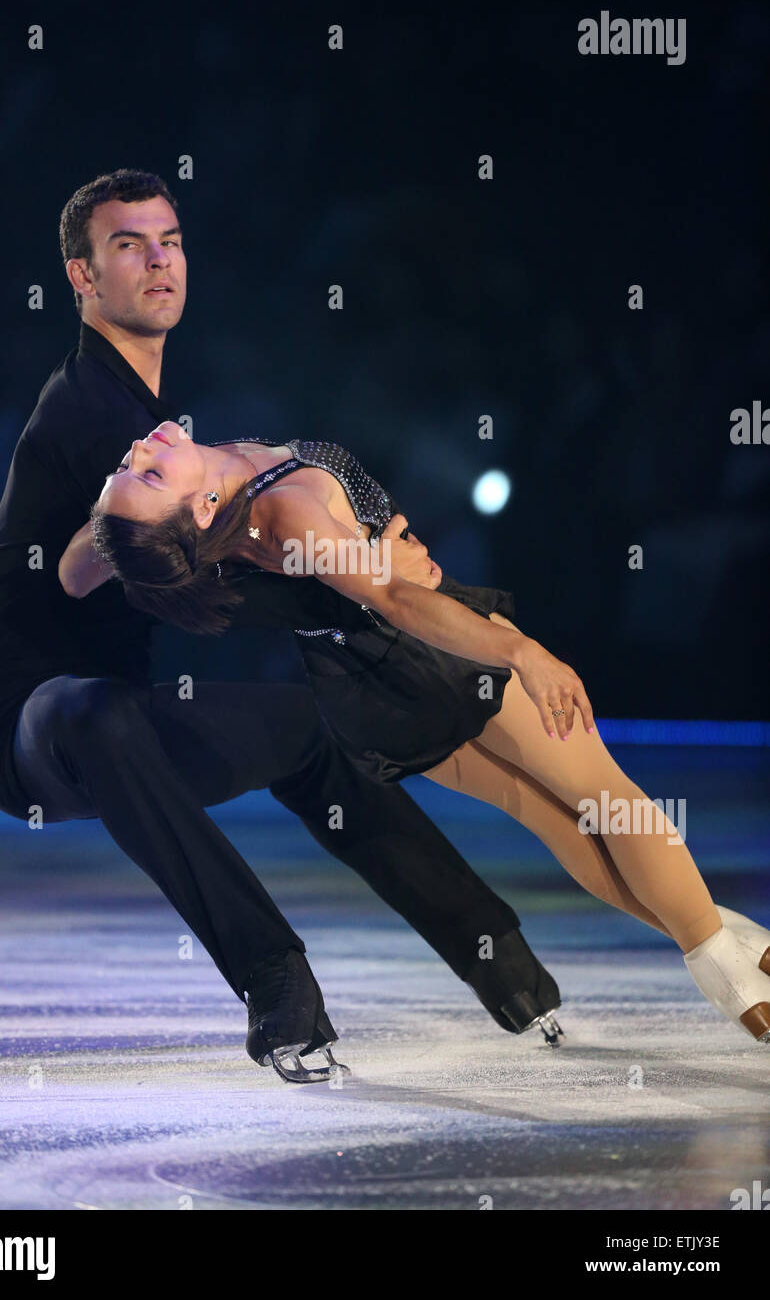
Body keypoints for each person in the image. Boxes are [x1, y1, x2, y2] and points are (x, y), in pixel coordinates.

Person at [0, 168, 563, 1088]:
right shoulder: (88, 408)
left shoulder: (149, 415)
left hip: (126, 710)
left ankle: (502, 961)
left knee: (307, 739)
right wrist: (361, 585)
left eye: (171, 240)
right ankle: (276, 980)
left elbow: (216, 554)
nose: (160, 260)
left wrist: (352, 567)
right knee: (94, 714)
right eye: (130, 245)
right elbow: (90, 574)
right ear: (82, 278)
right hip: (27, 729)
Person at [86, 425, 770, 1049]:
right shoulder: (281, 512)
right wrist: (522, 655)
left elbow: (91, 561)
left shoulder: (214, 515)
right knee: (607, 800)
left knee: (561, 821)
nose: (142, 448)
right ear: (202, 509)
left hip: (372, 692)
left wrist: (119, 525)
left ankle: (735, 946)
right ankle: (735, 980)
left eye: (128, 460)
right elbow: (398, 600)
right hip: (433, 656)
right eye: (147, 476)